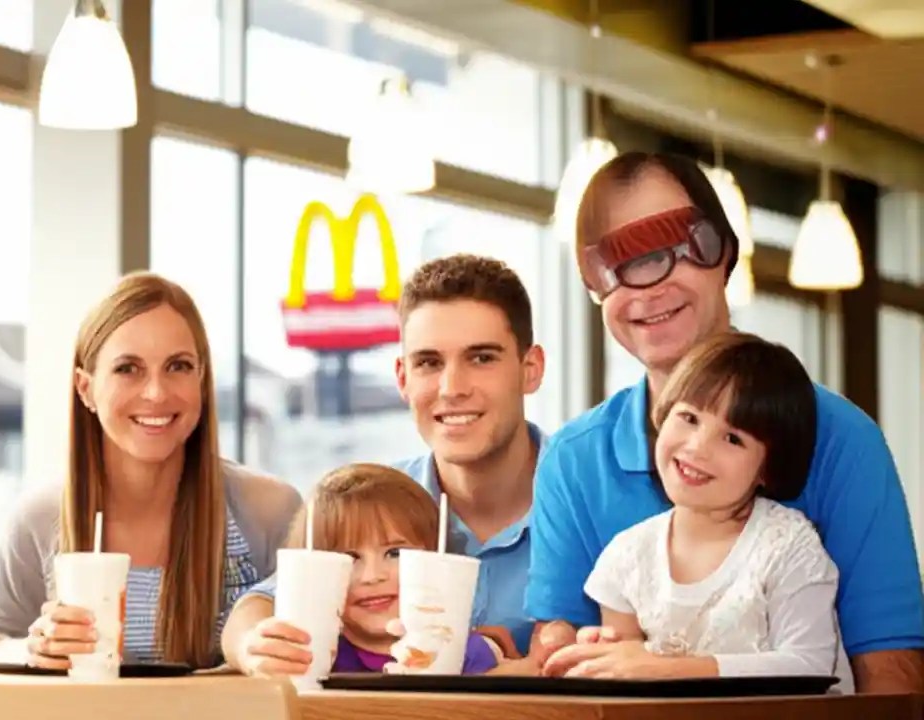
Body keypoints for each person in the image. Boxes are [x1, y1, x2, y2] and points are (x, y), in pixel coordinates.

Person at [524, 151, 924, 692]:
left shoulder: (843, 442)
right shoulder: (572, 463)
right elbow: (559, 662)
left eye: (671, 250)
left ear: (723, 253)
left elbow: (892, 678)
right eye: (616, 266)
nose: (647, 285)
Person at [221, 253, 548, 675]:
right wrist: (254, 644)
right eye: (429, 363)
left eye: (481, 358)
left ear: (530, 369)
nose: (452, 389)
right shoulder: (376, 497)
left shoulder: (591, 497)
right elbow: (260, 603)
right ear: (402, 377)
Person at [0, 272, 301, 669]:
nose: (156, 393)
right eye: (128, 368)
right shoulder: (38, 519)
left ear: (202, 380)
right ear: (85, 388)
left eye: (178, 366)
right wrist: (32, 649)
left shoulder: (269, 511)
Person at [542, 332, 852, 693]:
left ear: (769, 468)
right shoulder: (627, 555)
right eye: (689, 417)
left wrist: (665, 669)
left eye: (733, 438)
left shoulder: (787, 545)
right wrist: (605, 656)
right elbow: (625, 683)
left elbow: (808, 666)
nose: (697, 447)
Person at [287, 463, 500, 675]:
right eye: (350, 557)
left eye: (395, 553)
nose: (372, 576)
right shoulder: (306, 658)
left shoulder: (470, 655)